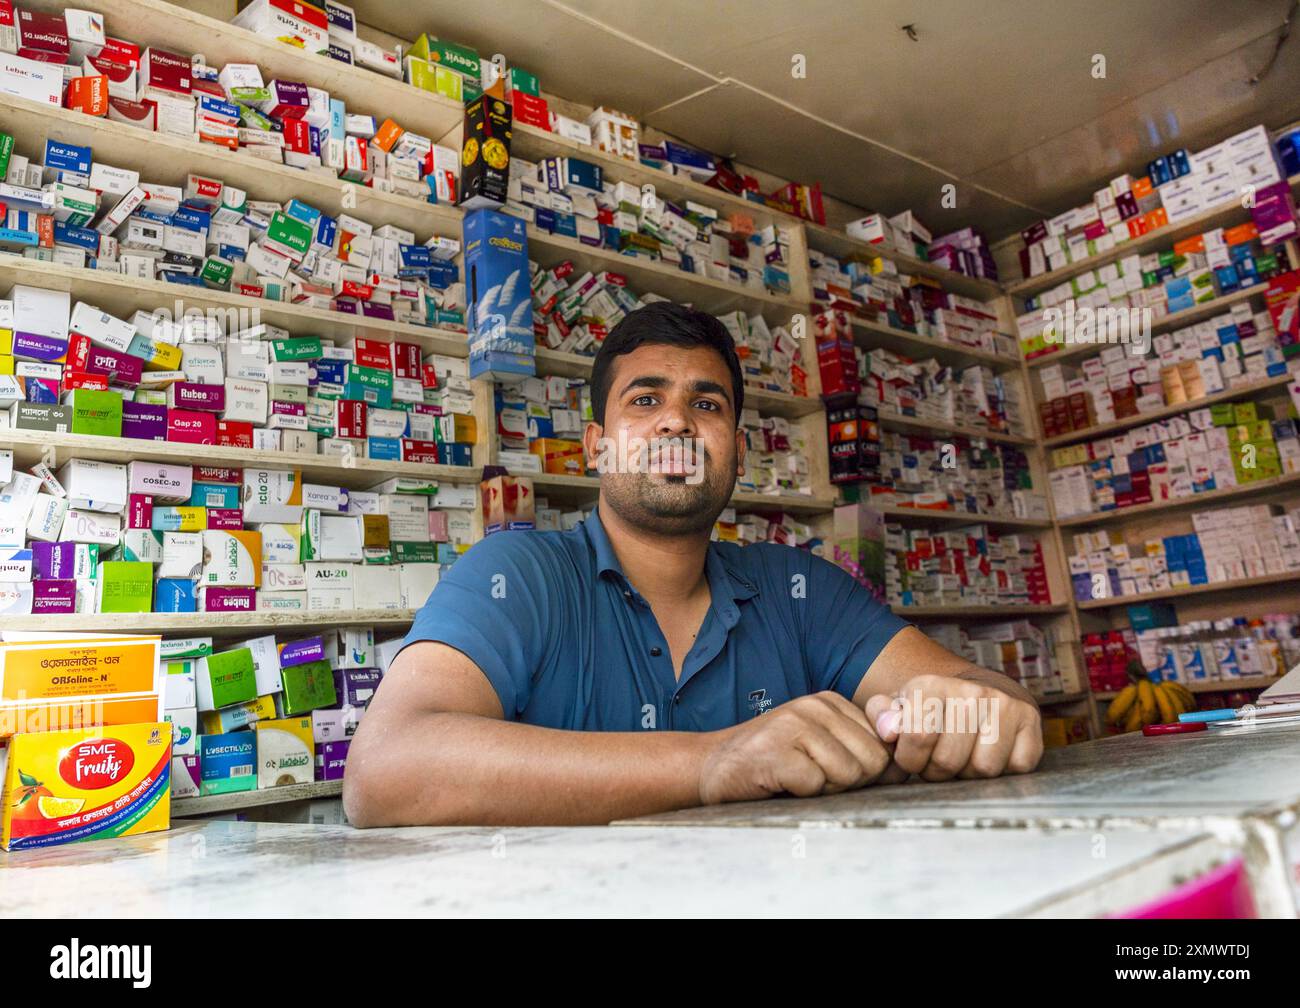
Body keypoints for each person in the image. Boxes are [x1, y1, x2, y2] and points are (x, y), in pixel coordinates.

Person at [344, 302, 1042, 826]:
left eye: (704, 404)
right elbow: (383, 771)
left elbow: (975, 689)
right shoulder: (517, 575)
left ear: (736, 449)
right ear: (596, 444)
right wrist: (714, 761)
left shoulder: (801, 591)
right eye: (645, 400)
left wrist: (981, 710)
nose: (676, 422)